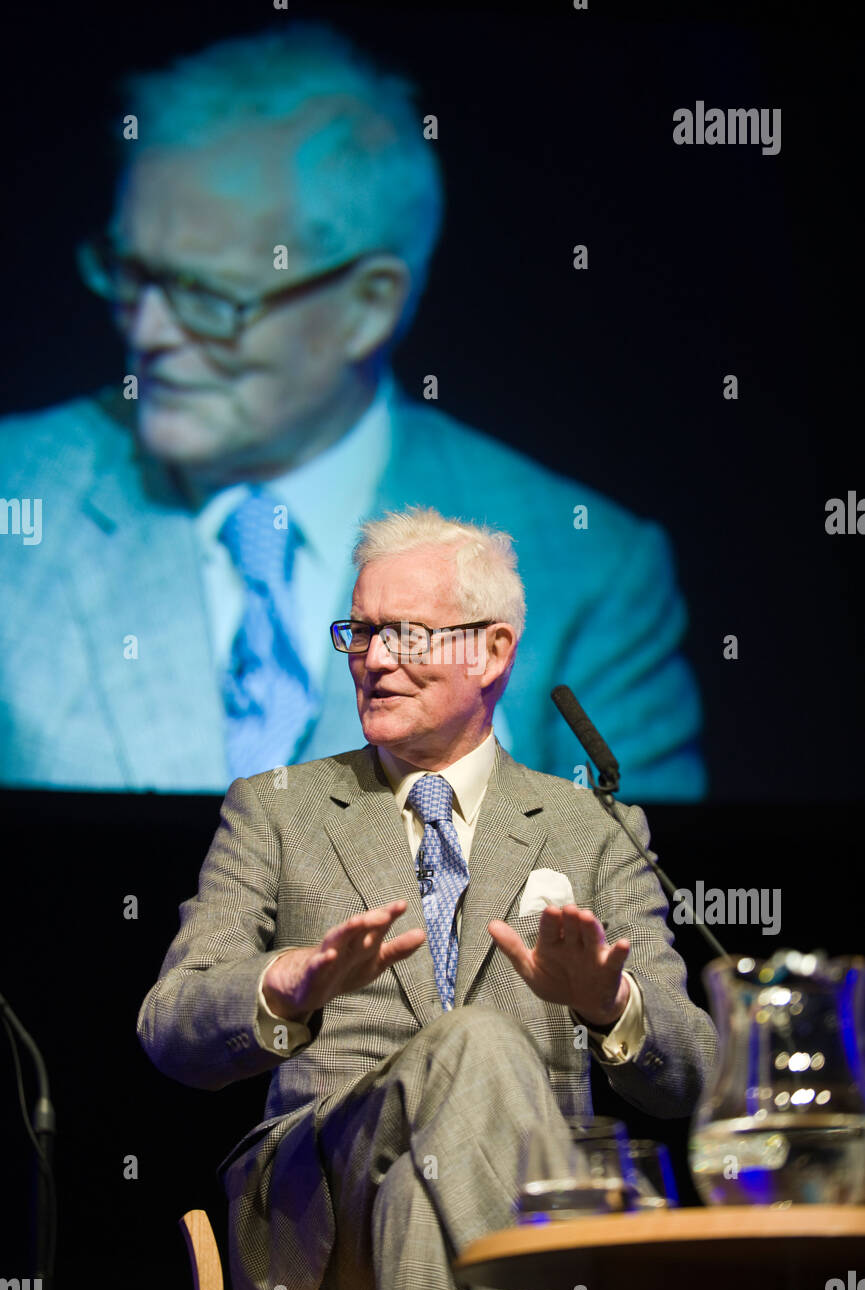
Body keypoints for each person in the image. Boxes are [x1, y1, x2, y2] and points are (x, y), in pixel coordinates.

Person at [0, 23, 705, 801]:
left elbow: (633, 905)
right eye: (132, 273)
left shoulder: (588, 572)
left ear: (368, 305)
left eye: (207, 296)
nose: (147, 331)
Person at [137, 508, 718, 1290]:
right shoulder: (276, 809)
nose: (374, 660)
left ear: (492, 650)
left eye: (406, 634)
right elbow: (171, 1027)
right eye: (360, 632)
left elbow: (693, 1073)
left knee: (420, 1196)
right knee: (473, 1041)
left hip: (521, 1199)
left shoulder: (593, 827)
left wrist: (610, 1003)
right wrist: (283, 988)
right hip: (323, 1201)